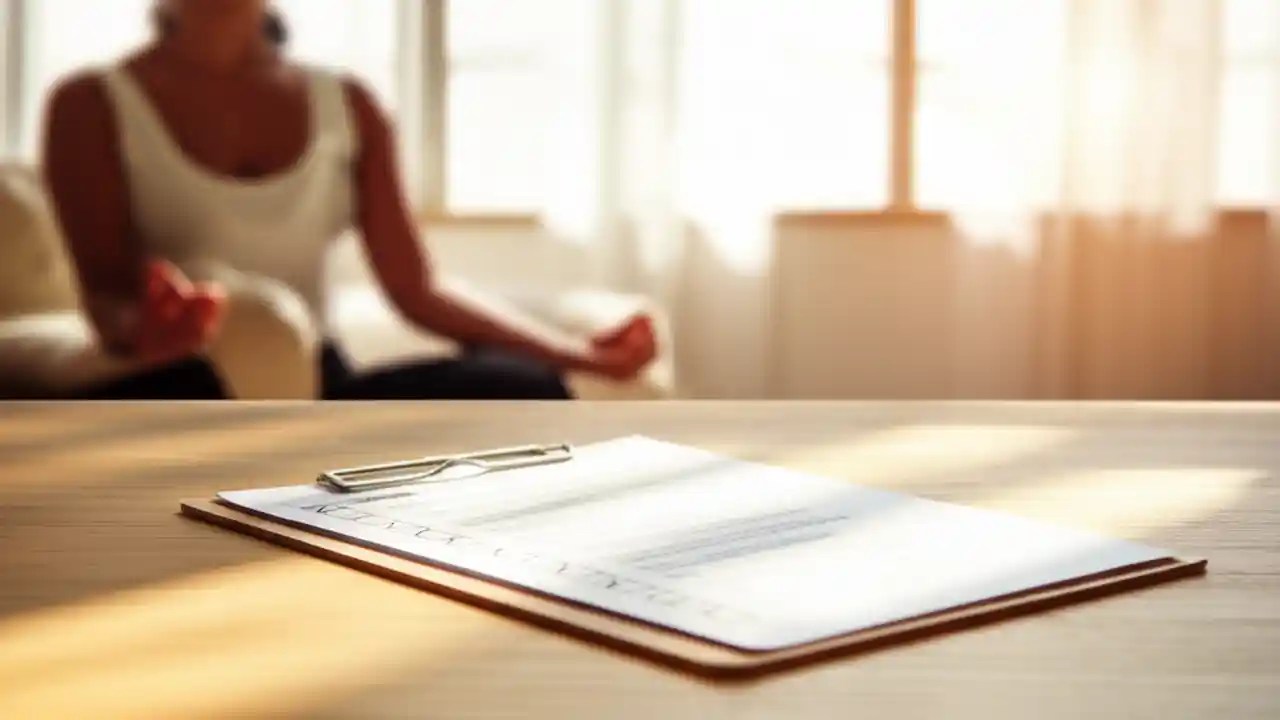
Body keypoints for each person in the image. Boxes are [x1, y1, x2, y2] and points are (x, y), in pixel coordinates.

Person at [42, 0, 657, 400]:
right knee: (180, 391)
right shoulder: (89, 104)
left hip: (316, 385)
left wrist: (575, 353)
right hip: (181, 384)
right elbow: (108, 298)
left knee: (526, 389)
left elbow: (417, 289)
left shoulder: (348, 103)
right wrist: (146, 328)